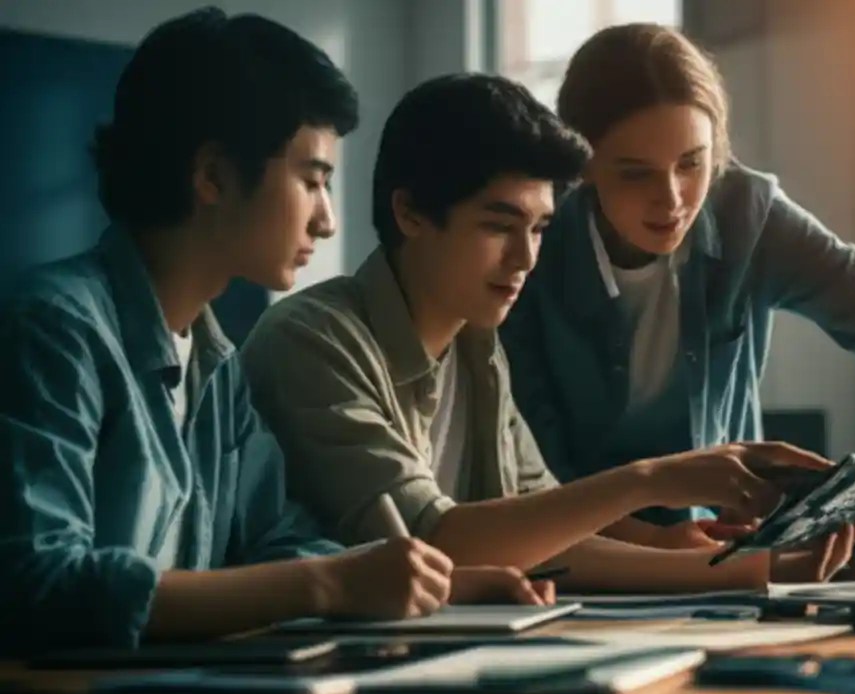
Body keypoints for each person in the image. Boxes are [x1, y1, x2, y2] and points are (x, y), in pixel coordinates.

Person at [0, 8, 531, 657]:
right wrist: (328, 583)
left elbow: (284, 539)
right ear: (214, 176)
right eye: (312, 180)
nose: (328, 222)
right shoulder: (56, 329)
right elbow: (39, 582)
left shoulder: (216, 365)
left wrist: (425, 580)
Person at [241, 73, 855, 593]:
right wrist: (653, 479)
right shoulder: (312, 340)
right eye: (499, 226)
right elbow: (433, 540)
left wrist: (761, 570)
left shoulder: (478, 348)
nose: (525, 259)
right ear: (409, 213)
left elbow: (551, 545)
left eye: (540, 229)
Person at [500, 24, 855, 550]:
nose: (672, 199)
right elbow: (530, 458)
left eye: (692, 164)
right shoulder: (534, 252)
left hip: (727, 543)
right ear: (583, 164)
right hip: (582, 549)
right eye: (636, 173)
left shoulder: (746, 212)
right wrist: (646, 543)